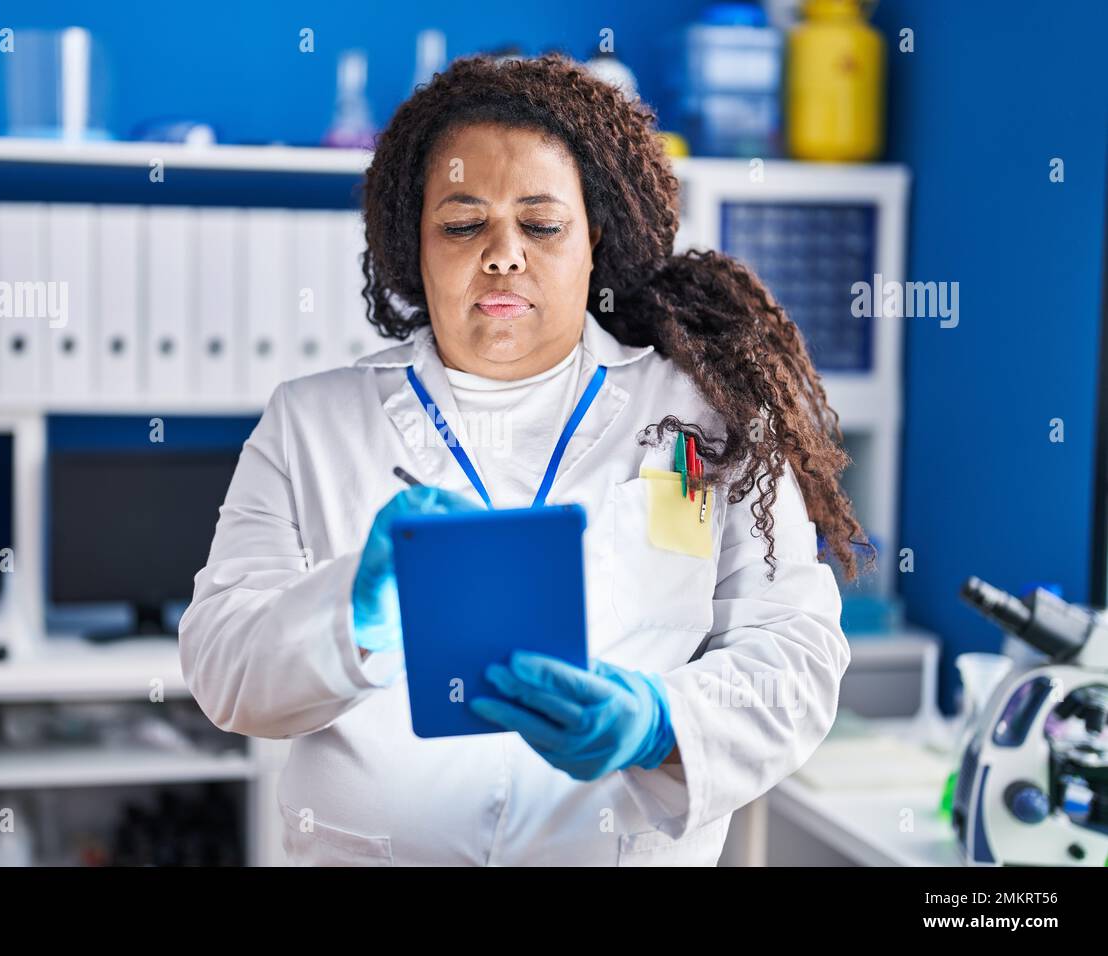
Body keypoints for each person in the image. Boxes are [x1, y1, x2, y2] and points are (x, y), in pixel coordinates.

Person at [179, 54, 865, 866]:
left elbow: (798, 651)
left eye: (541, 224)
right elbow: (221, 663)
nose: (503, 255)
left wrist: (657, 725)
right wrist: (348, 609)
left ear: (594, 238)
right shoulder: (311, 422)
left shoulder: (704, 417)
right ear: (417, 243)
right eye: (464, 223)